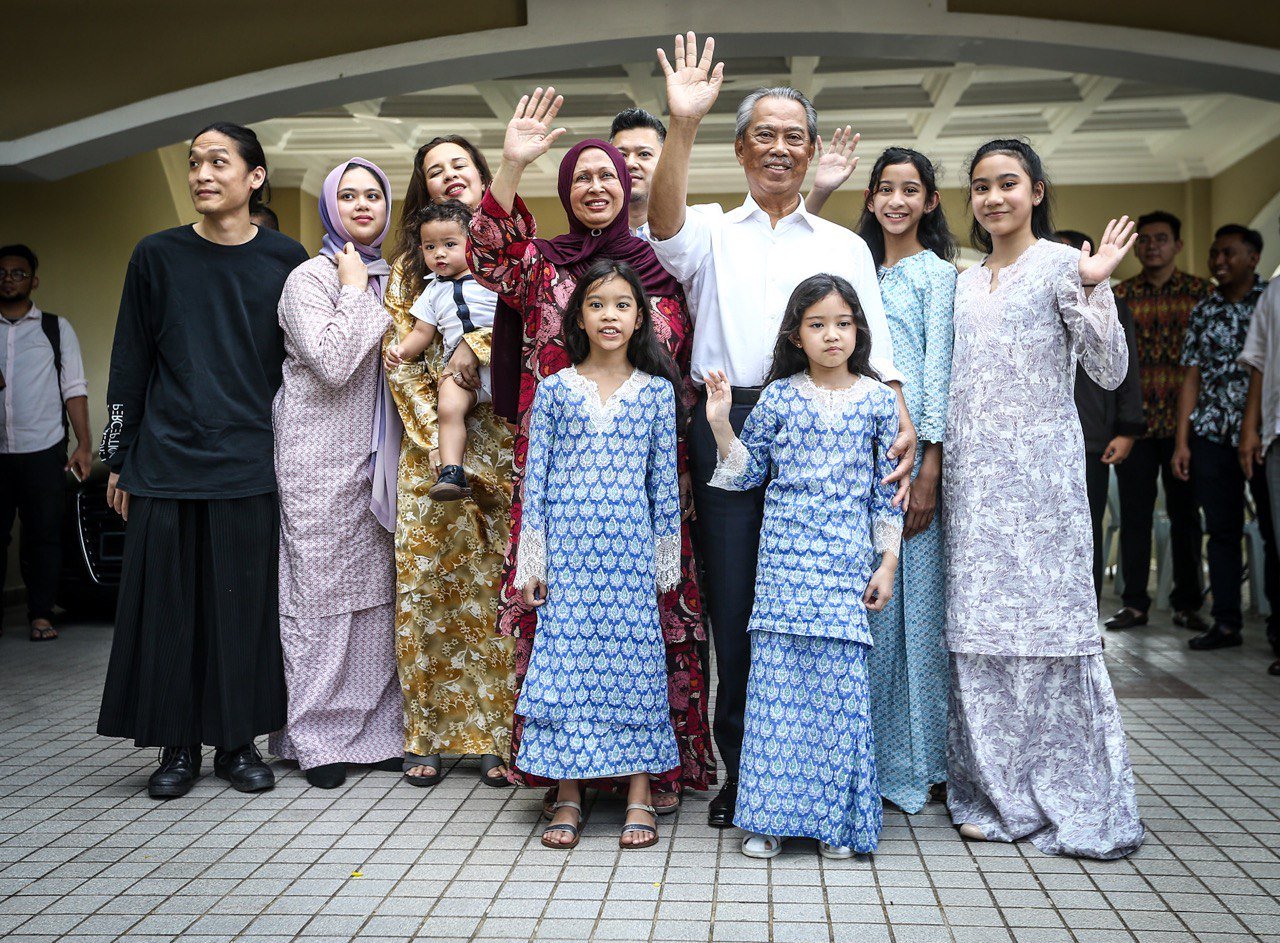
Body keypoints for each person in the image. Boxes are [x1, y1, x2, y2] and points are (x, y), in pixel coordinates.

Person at [646, 32, 915, 828]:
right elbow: (660, 225)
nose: (779, 147)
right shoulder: (710, 232)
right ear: (739, 149)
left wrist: (901, 417)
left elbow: (877, 349)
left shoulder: (841, 244)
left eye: (794, 135)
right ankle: (742, 775)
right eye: (763, 133)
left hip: (828, 426)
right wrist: (681, 124)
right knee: (735, 608)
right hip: (729, 417)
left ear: (809, 155)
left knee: (813, 606)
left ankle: (817, 771)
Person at [468, 91, 714, 819]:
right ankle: (563, 771)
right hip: (560, 475)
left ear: (628, 186)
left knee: (649, 624)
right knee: (564, 628)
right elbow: (485, 253)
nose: (598, 188)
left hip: (650, 481)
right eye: (582, 178)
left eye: (609, 176)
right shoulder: (540, 265)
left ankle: (652, 771)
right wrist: (511, 163)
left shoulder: (659, 270)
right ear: (565, 188)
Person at [97, 122, 309, 799]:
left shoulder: (286, 258)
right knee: (170, 609)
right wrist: (118, 458)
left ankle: (237, 742)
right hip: (166, 461)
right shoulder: (155, 255)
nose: (201, 174)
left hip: (251, 460)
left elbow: (301, 367)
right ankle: (177, 746)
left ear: (254, 178)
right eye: (194, 163)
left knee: (242, 610)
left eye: (218, 161)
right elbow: (130, 358)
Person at [945, 138, 1144, 859]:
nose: (993, 198)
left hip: (1042, 479)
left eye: (1007, 183)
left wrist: (1095, 286)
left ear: (1035, 190)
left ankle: (1067, 791)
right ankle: (999, 793)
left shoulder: (1064, 264)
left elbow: (1109, 364)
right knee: (980, 634)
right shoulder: (963, 283)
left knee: (1049, 632)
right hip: (974, 480)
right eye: (981, 187)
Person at [704, 274, 902, 860]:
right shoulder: (780, 396)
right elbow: (745, 474)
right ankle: (767, 821)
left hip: (845, 568)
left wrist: (887, 562)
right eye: (817, 324)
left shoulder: (876, 400)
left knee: (838, 696)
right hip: (784, 568)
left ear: (859, 330)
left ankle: (835, 825)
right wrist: (720, 421)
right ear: (797, 334)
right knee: (778, 694)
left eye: (843, 322)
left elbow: (886, 492)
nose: (832, 334)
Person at [516, 259, 684, 850]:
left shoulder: (657, 392)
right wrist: (531, 561)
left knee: (634, 668)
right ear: (578, 318)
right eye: (596, 304)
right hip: (568, 555)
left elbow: (663, 481)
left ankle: (640, 793)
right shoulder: (557, 388)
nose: (609, 315)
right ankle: (568, 792)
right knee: (566, 669)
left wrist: (667, 561)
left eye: (621, 304)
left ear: (641, 317)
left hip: (629, 556)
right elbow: (535, 478)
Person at [383, 134, 517, 789]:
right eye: (435, 171)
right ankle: (426, 737)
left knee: (498, 596)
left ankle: (498, 737)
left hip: (507, 449)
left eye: (458, 165)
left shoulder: (512, 253)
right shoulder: (410, 272)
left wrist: (477, 346)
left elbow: (534, 332)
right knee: (426, 598)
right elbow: (403, 368)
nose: (449, 177)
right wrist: (441, 441)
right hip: (430, 456)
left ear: (482, 175)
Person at [268, 157, 402, 789]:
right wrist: (353, 288)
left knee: (375, 600)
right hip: (316, 458)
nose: (361, 206)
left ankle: (373, 736)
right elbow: (332, 362)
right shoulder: (311, 277)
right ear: (329, 206)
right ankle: (315, 739)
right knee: (317, 602)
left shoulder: (395, 277)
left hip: (376, 460)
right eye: (347, 196)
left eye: (372, 195)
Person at [855, 149, 956, 814]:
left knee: (915, 616)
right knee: (870, 612)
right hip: (856, 455)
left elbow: (940, 369)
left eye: (910, 189)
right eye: (886, 188)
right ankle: (868, 753)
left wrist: (931, 470)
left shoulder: (938, 276)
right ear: (869, 197)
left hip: (913, 459)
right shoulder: (853, 269)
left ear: (930, 201)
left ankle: (921, 761)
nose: (896, 199)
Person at [1173, 225, 1277, 653]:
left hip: (1265, 435)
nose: (1218, 261)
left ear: (1253, 258)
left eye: (1228, 253)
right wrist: (1183, 441)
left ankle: (1275, 628)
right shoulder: (1204, 310)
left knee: (1273, 531)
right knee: (1220, 530)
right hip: (1212, 434)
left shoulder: (1268, 302)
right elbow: (1191, 376)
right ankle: (1226, 622)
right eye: (1214, 253)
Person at [1106, 211, 1211, 632]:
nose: (1152, 247)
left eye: (1161, 239)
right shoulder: (1121, 296)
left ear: (1178, 246)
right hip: (1135, 426)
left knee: (1187, 516)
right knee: (1135, 516)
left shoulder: (1201, 294)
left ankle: (1187, 602)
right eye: (1145, 240)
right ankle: (1134, 602)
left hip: (1187, 426)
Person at [0, 243, 92, 642]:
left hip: (44, 447)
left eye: (18, 272)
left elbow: (74, 389)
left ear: (33, 281)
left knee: (44, 536)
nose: (9, 279)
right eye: (3, 272)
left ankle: (39, 614)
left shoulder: (55, 328)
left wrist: (85, 445)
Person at [386, 200, 497, 501]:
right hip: (460, 374)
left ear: (471, 243)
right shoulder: (432, 291)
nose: (439, 254)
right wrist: (402, 351)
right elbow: (422, 332)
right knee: (448, 406)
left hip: (501, 364)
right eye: (430, 247)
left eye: (449, 244)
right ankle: (452, 471)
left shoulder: (491, 281)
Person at [1057, 229, 1145, 601]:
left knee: (1086, 531)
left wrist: (1127, 429)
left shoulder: (1109, 302)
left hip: (1091, 438)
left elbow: (1126, 373)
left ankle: (1085, 621)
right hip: (1040, 435)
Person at [1237, 262, 1280, 676]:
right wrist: (1251, 429)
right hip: (1277, 434)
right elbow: (1259, 363)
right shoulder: (1275, 293)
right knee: (1277, 538)